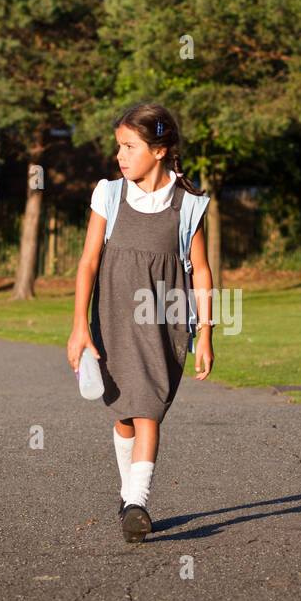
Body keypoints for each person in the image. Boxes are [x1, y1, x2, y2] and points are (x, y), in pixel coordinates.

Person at [67, 102, 214, 543]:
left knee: (149, 407)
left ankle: (137, 502)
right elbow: (89, 262)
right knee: (124, 414)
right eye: (119, 146)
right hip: (112, 317)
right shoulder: (108, 195)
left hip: (165, 319)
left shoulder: (189, 205)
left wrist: (206, 333)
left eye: (130, 146)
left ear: (160, 149)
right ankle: (129, 489)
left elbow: (201, 271)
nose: (121, 155)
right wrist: (79, 326)